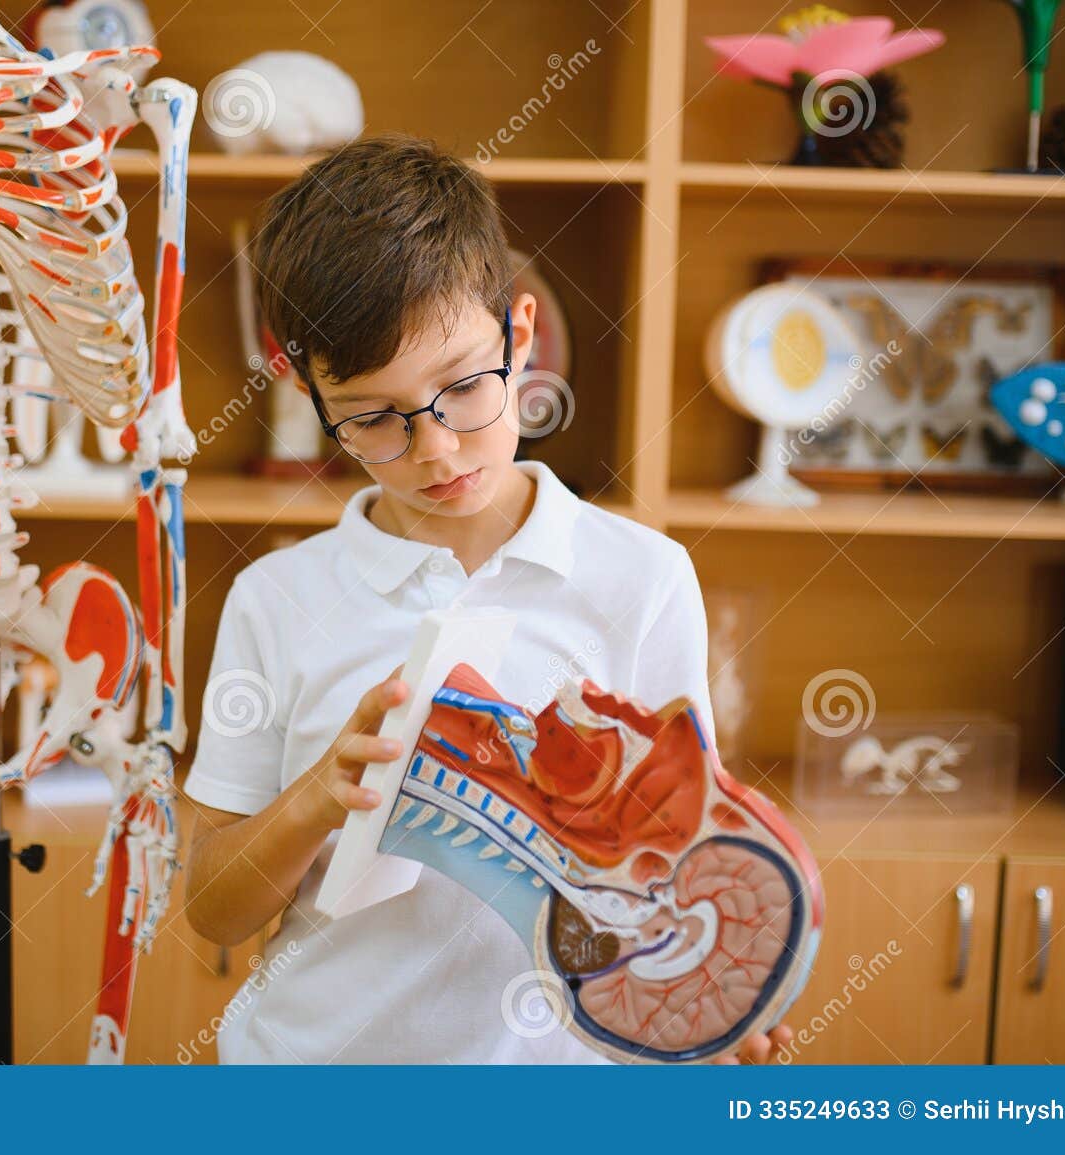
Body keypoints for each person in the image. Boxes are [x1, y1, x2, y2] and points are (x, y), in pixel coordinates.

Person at [181, 134, 791, 1065]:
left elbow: (674, 862)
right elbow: (213, 910)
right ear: (310, 394)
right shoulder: (276, 597)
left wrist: (714, 1004)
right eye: (375, 418)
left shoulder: (644, 577)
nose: (436, 450)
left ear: (519, 334)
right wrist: (317, 797)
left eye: (463, 387)